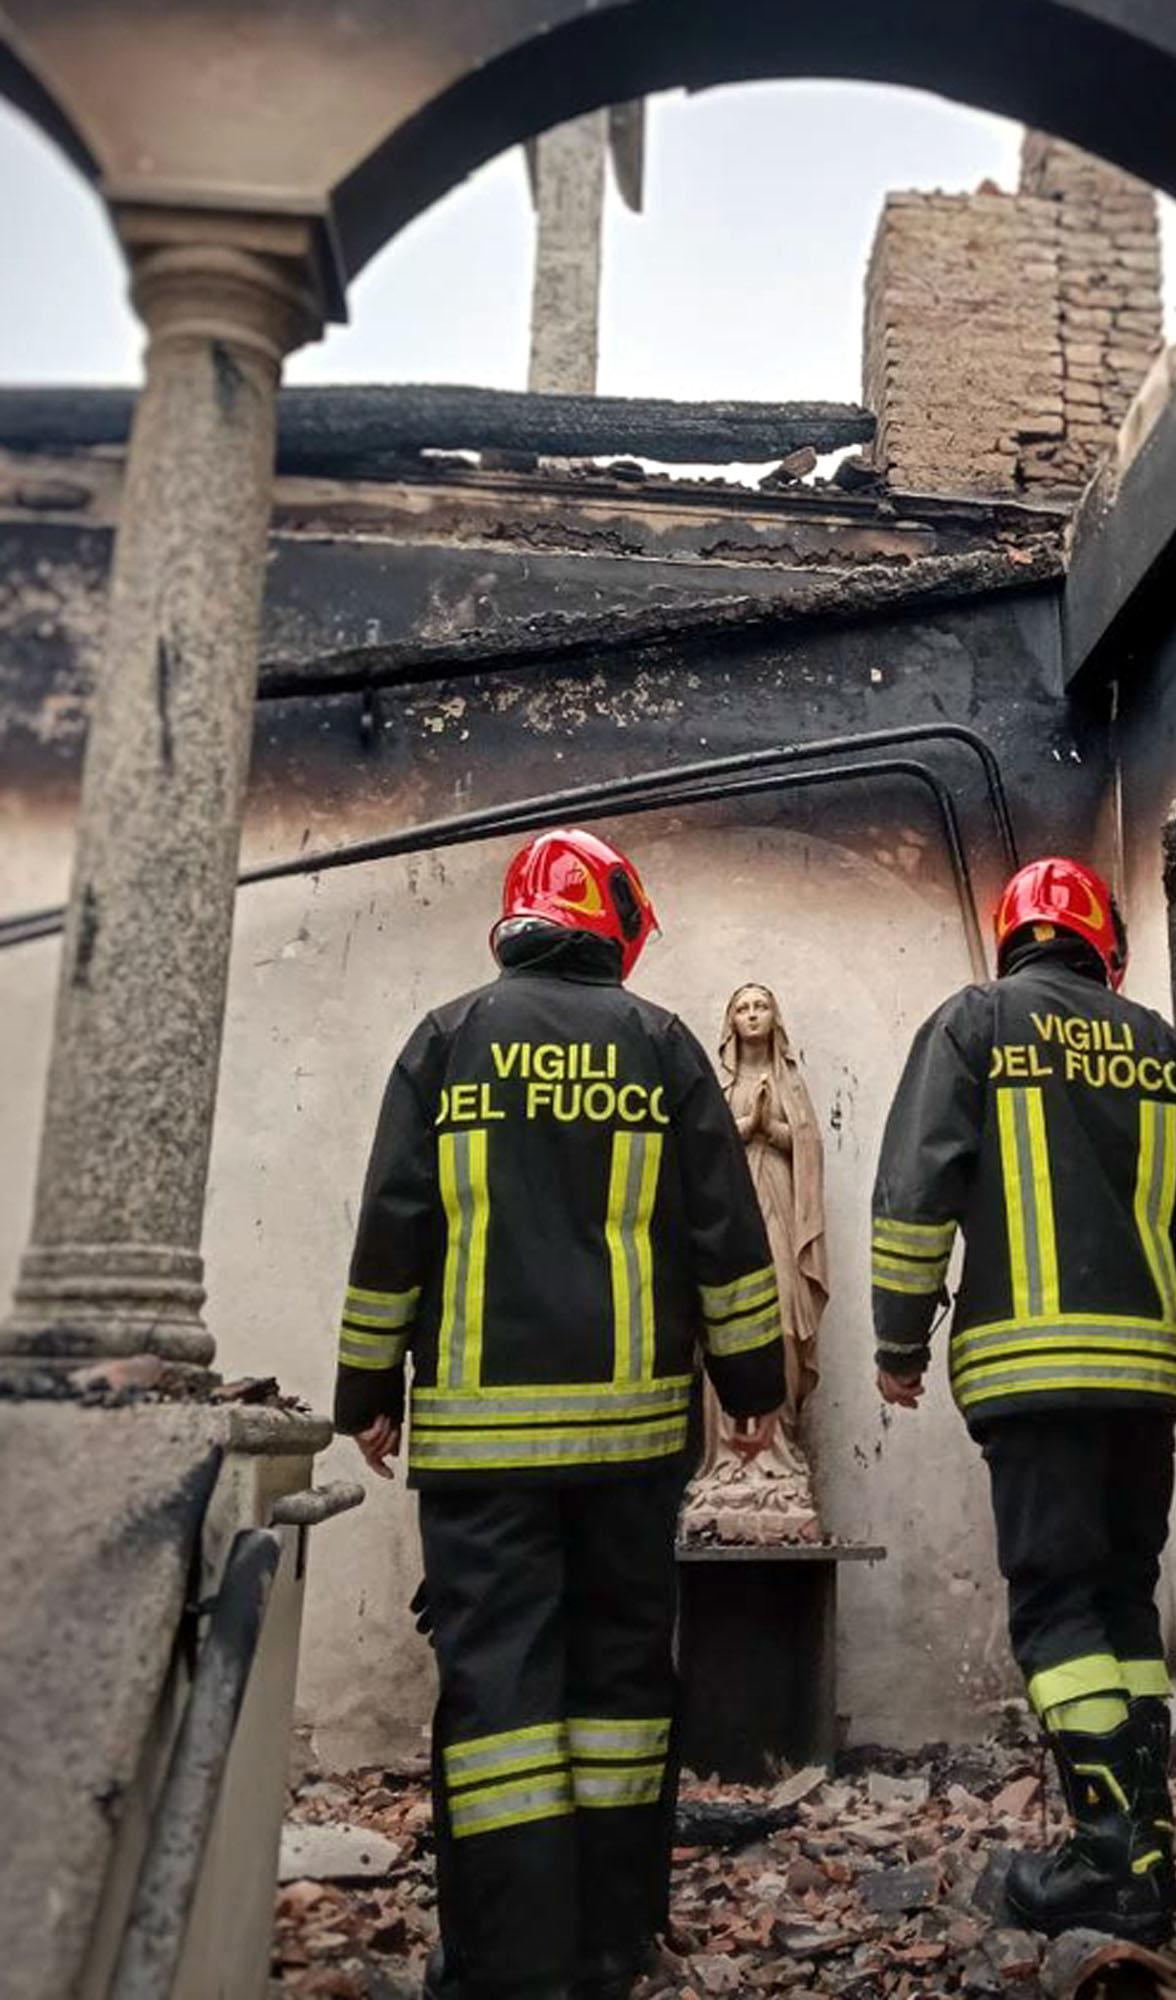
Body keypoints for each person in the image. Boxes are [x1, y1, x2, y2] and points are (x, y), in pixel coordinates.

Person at [331, 828, 786, 2000]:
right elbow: (728, 1235)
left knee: (500, 1701)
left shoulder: (446, 1041)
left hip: (483, 1454)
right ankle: (611, 1937)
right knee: (625, 1691)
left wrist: (365, 1391)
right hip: (633, 1446)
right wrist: (750, 1386)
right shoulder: (663, 1045)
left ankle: (506, 1955)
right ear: (615, 921)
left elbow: (393, 1232)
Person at [869, 855, 1176, 1946]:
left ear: (1011, 936)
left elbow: (912, 1196)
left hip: (1029, 1378)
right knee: (1122, 1602)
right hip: (1141, 1374)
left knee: (1055, 1608)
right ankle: (1142, 1847)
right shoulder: (1156, 1043)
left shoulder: (975, 1023)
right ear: (1103, 944)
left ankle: (1105, 1861)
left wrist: (899, 1339)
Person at [691, 983, 828, 1496]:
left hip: (781, 1216)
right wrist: (742, 1126)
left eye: (761, 1006)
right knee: (727, 1321)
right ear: (731, 1022)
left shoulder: (790, 1084)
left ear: (775, 1017)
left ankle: (780, 1451)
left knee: (786, 1328)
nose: (752, 1015)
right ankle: (725, 1459)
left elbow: (810, 1150)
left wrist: (772, 1129)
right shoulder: (717, 1088)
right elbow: (699, 1156)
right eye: (743, 1008)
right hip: (732, 1219)